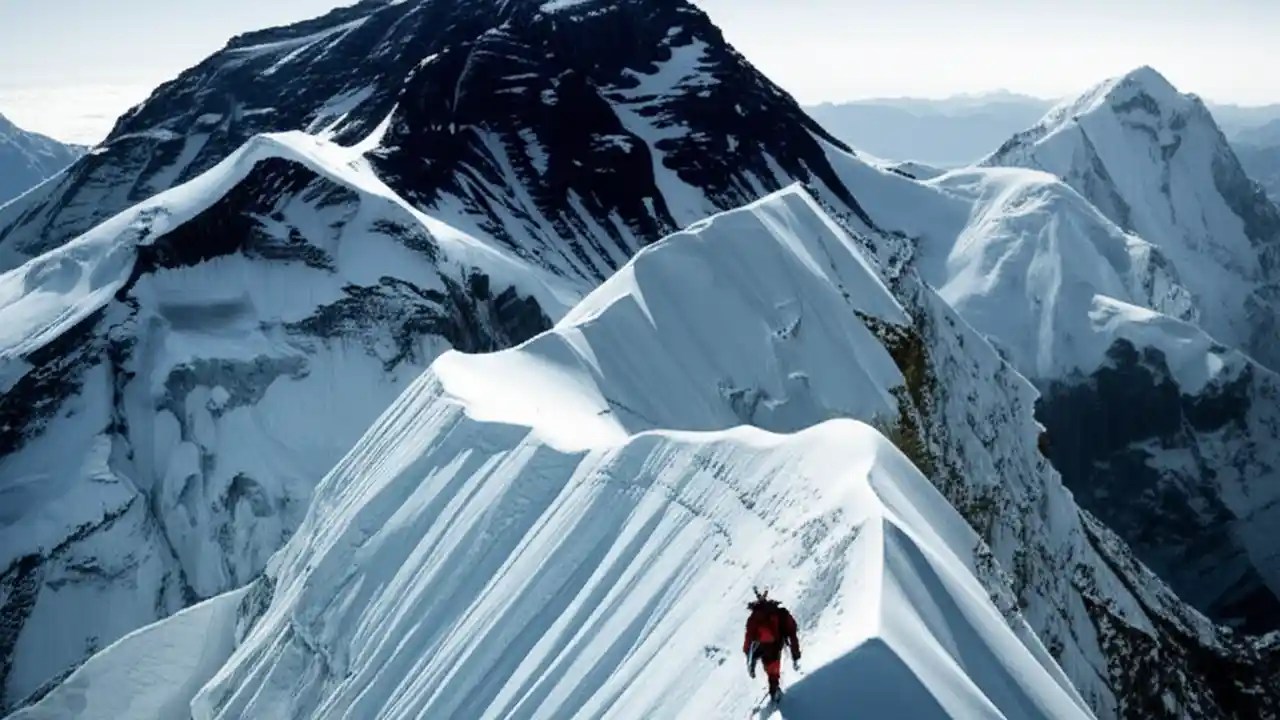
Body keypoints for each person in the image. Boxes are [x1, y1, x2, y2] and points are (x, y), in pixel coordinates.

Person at [743, 587, 800, 702]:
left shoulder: (754, 618)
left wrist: (748, 654)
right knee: (773, 668)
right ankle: (774, 689)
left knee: (769, 667)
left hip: (761, 647)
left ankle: (773, 687)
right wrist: (795, 653)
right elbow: (792, 630)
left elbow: (749, 638)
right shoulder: (780, 612)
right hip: (776, 643)